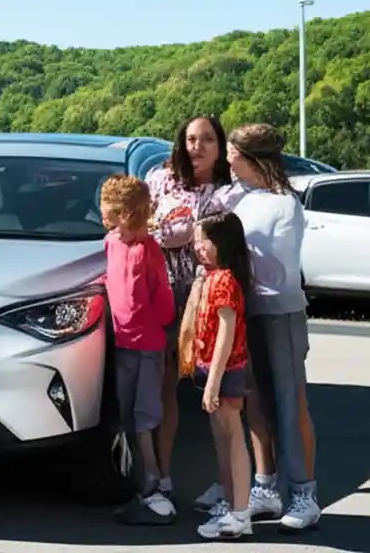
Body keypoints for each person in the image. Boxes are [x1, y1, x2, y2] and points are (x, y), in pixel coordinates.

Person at [226, 123, 321, 531]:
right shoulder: (246, 201)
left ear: (250, 159)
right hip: (248, 310)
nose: (228, 163)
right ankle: (265, 486)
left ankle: (303, 492)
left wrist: (239, 256)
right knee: (255, 401)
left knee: (289, 400)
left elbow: (278, 267)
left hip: (280, 312)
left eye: (233, 156)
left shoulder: (285, 203)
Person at [144, 115, 233, 504]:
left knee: (214, 389)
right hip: (161, 292)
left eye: (207, 140)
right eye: (191, 139)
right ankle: (162, 476)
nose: (197, 146)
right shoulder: (160, 179)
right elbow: (142, 223)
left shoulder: (226, 193)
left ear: (220, 148)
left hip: (203, 295)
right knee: (165, 387)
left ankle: (227, 482)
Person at [99, 174, 178, 525]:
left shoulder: (148, 250)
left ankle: (153, 485)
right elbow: (109, 280)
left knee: (145, 416)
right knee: (128, 415)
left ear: (127, 212)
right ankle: (141, 485)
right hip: (124, 343)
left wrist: (152, 323)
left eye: (110, 212)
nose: (105, 218)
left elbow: (163, 301)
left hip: (146, 345)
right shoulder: (111, 242)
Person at [185, 212, 254, 540]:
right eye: (197, 240)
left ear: (223, 243)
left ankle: (240, 511)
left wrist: (213, 380)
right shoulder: (211, 277)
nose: (199, 246)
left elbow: (226, 333)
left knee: (232, 436)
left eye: (205, 240)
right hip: (211, 366)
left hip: (225, 369)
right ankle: (231, 504)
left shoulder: (225, 280)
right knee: (221, 438)